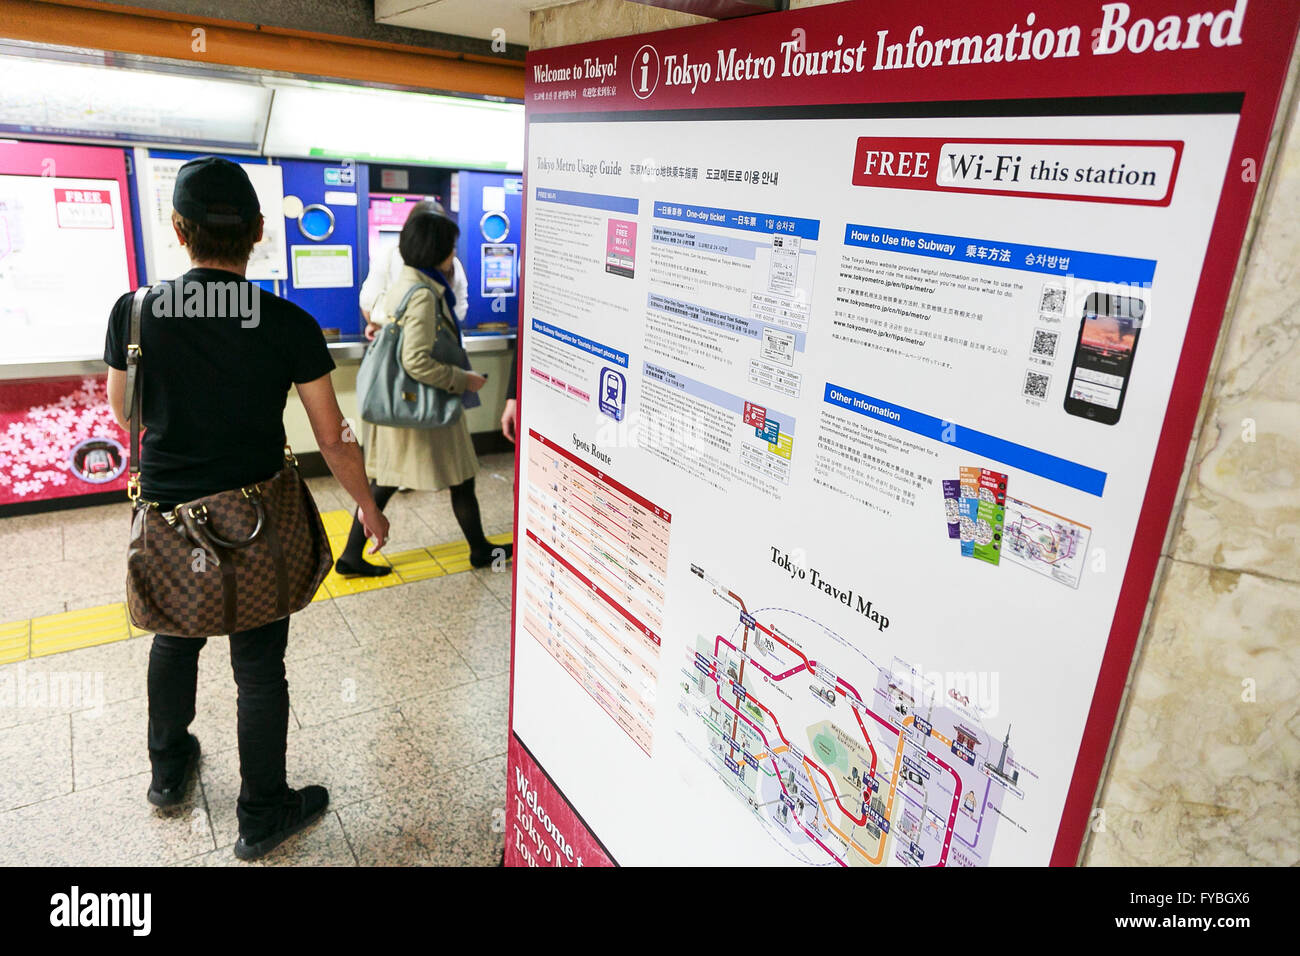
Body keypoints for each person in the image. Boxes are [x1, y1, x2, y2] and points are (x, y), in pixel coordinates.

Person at [104, 157, 390, 861]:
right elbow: (334, 435)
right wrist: (368, 508)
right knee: (260, 666)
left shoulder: (136, 310)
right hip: (256, 522)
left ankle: (168, 771)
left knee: (174, 637)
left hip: (170, 518)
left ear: (179, 230)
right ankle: (262, 811)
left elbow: (123, 411)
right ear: (259, 232)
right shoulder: (287, 322)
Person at [336, 210, 511, 575]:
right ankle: (477, 550)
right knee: (451, 478)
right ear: (439, 250)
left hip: (406, 403)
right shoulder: (424, 294)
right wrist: (462, 380)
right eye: (451, 246)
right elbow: (415, 360)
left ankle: (355, 555)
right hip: (423, 406)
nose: (453, 253)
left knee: (398, 478)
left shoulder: (407, 281)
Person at [358, 198, 468, 342]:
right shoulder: (453, 264)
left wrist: (379, 325)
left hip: (399, 346)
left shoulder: (390, 256)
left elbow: (368, 304)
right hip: (445, 344)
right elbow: (459, 311)